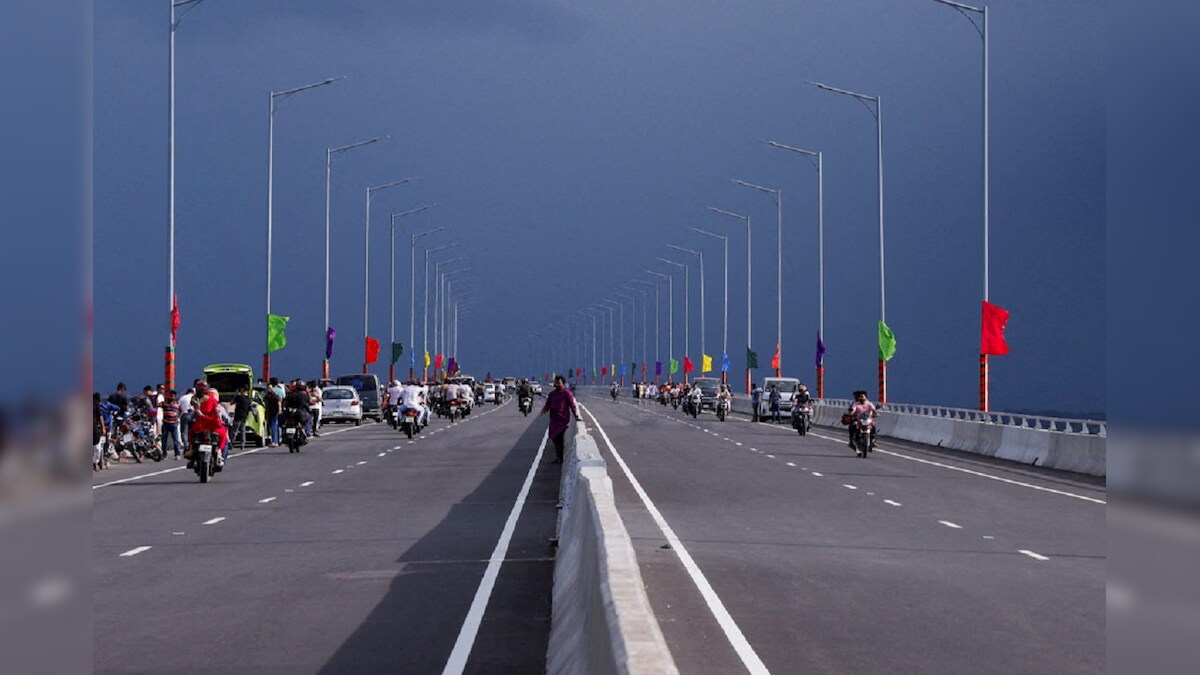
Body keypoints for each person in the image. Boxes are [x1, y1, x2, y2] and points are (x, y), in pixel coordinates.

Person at [540, 375, 580, 463]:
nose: (557, 384)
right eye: (556, 382)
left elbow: (572, 405)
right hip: (554, 420)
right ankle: (558, 456)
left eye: (559, 383)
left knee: (560, 439)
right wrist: (544, 410)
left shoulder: (567, 393)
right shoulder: (552, 394)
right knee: (554, 438)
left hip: (563, 420)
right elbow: (548, 404)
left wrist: (576, 415)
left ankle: (560, 458)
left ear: (563, 383)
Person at [189, 384, 228, 466]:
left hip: (202, 426)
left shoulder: (197, 400)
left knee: (192, 434)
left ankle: (192, 451)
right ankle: (219, 451)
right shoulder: (211, 400)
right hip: (211, 426)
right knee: (224, 435)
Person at [161, 390, 182, 459]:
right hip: (166, 424)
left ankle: (177, 454)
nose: (171, 397)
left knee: (175, 440)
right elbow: (157, 405)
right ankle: (164, 454)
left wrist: (178, 417)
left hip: (174, 424)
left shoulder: (177, 404)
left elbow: (182, 411)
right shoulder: (164, 404)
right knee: (164, 440)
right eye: (170, 395)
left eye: (172, 396)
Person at [93, 392, 108, 471]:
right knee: (97, 446)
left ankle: (95, 463)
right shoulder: (96, 404)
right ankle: (95, 463)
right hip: (93, 427)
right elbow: (100, 416)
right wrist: (103, 428)